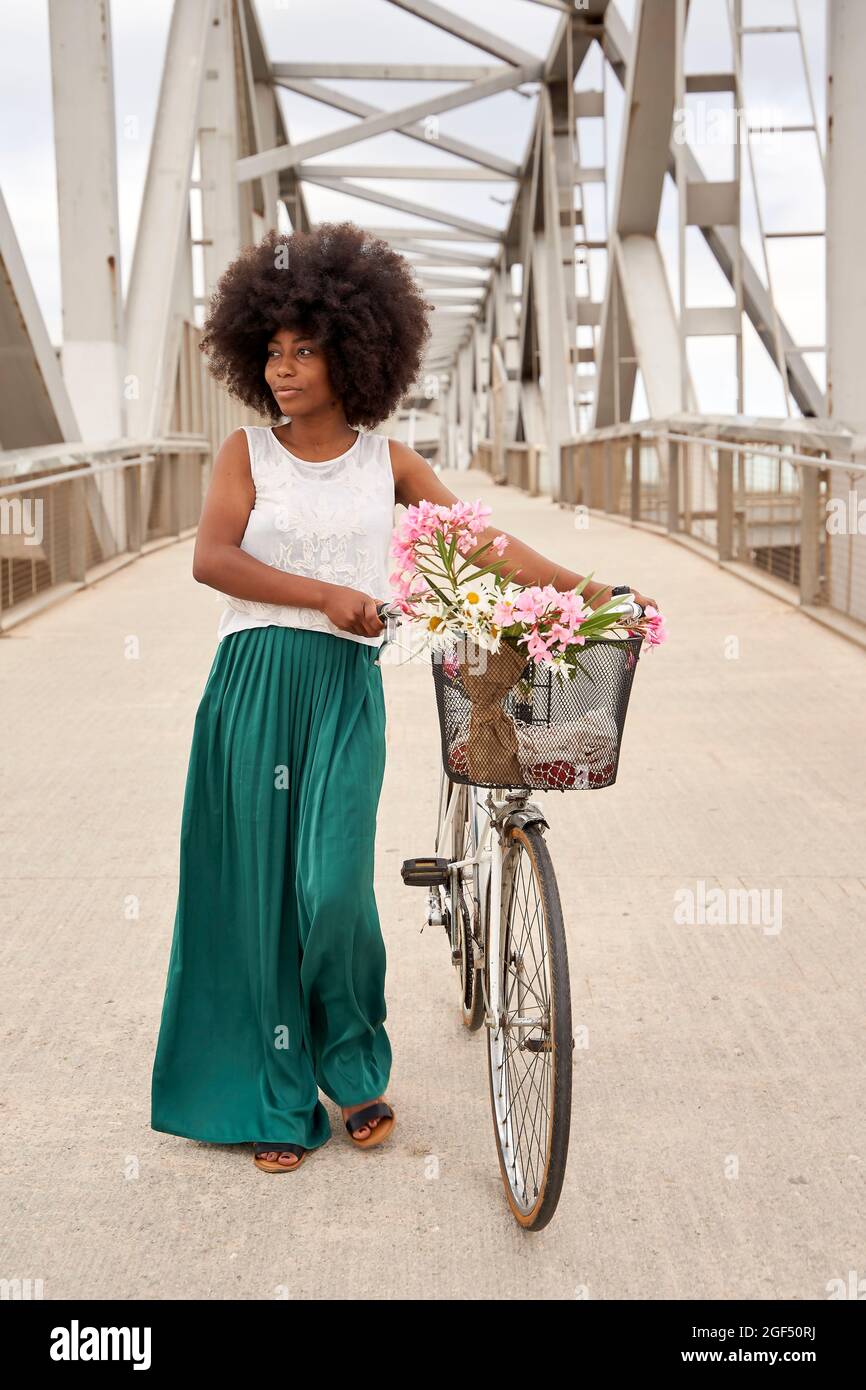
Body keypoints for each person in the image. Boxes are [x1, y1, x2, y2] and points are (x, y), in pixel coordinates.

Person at [150, 221, 656, 1174]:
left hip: (344, 693)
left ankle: (353, 1061)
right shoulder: (244, 453)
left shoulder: (389, 464)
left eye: (308, 349)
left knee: (333, 888)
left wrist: (589, 592)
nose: (287, 367)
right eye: (274, 350)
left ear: (357, 352)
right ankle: (275, 1094)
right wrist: (325, 595)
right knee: (260, 896)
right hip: (255, 682)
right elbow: (211, 561)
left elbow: (481, 546)